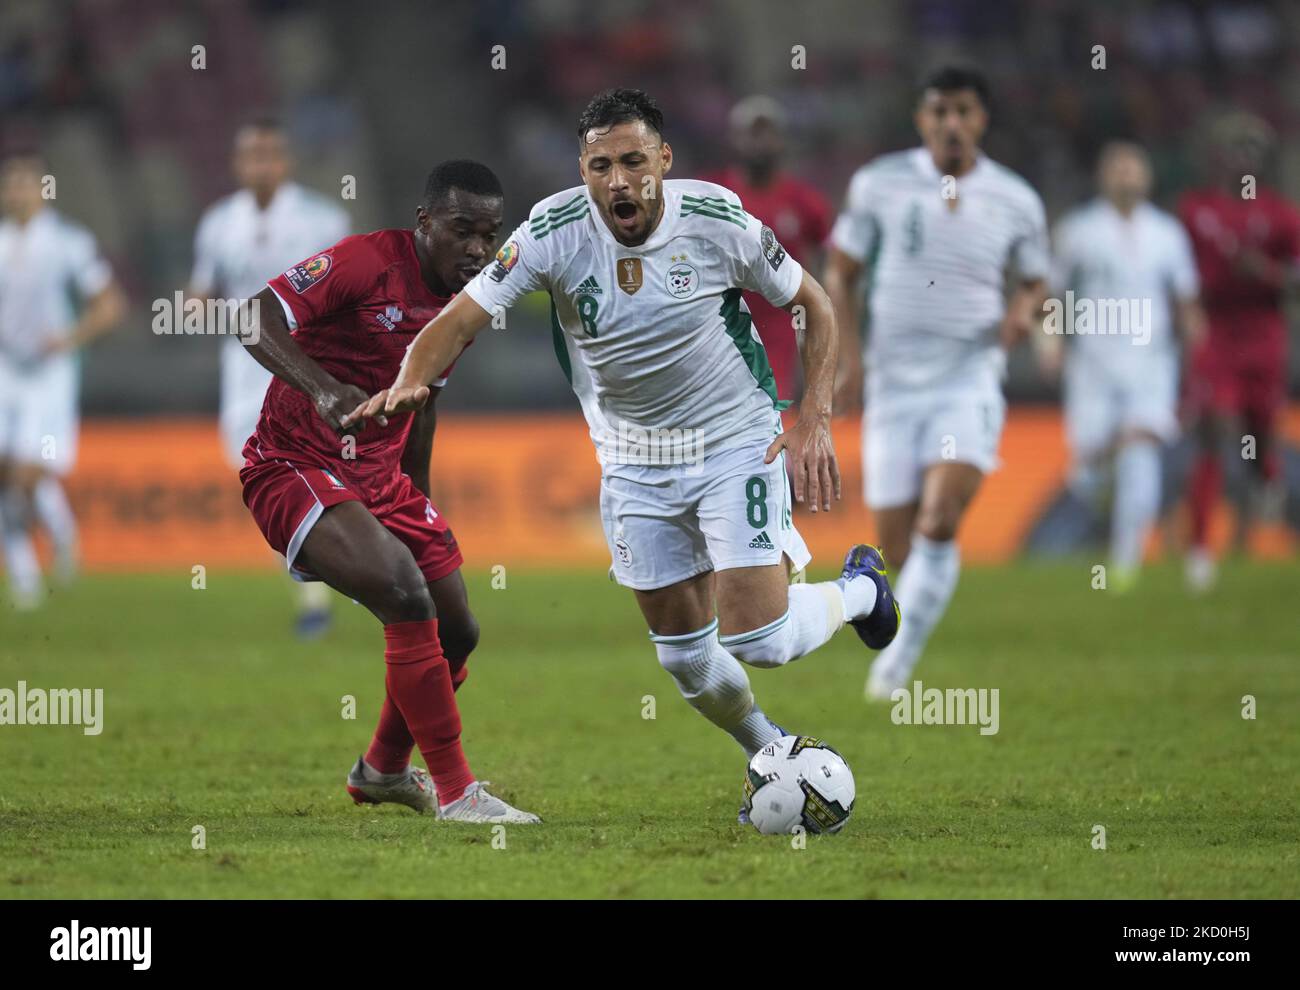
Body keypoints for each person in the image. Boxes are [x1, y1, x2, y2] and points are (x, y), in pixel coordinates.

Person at [343, 89, 900, 825]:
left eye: (634, 161)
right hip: (633, 461)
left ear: (664, 161)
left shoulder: (717, 219)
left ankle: (862, 589)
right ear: (583, 169)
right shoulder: (552, 230)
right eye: (601, 165)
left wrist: (812, 418)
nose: (618, 181)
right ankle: (772, 754)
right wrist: (410, 381)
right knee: (687, 662)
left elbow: (816, 303)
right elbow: (457, 319)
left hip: (736, 437)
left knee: (759, 637)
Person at [237, 160, 538, 824]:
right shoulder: (364, 261)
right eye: (463, 231)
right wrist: (320, 388)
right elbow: (252, 317)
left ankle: (382, 770)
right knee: (404, 594)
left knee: (458, 629)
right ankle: (458, 793)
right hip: (293, 463)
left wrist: (420, 497)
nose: (478, 250)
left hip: (383, 479)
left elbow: (425, 400)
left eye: (489, 235)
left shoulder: (470, 301)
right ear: (425, 222)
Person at [823, 64, 1048, 700]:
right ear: (922, 119)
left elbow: (1036, 280)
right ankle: (901, 635)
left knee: (940, 515)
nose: (951, 123)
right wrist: (850, 360)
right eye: (939, 111)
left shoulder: (1016, 198)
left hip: (967, 379)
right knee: (897, 549)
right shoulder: (880, 185)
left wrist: (1021, 312)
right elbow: (841, 273)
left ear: (982, 120)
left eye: (964, 112)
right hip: (894, 387)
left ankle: (895, 666)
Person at [190, 117, 350, 636]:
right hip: (241, 369)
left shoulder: (323, 219)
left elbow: (348, 291)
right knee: (260, 477)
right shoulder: (217, 223)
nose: (261, 164)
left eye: (270, 154)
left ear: (286, 161)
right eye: (251, 155)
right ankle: (316, 573)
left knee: (303, 469)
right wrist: (194, 311)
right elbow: (200, 296)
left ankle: (316, 597)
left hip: (303, 363)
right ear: (239, 164)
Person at [1043, 142, 1204, 591]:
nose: (1127, 176)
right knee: (1089, 468)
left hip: (1151, 363)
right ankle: (1099, 533)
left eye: (1134, 168)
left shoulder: (1168, 233)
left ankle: (1126, 563)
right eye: (1118, 168)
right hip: (1092, 364)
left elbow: (1185, 297)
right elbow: (1053, 292)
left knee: (1140, 456)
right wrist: (1050, 341)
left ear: (1147, 176)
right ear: (1102, 176)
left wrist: (1195, 337)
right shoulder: (1078, 230)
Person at [1178, 112, 1299, 591]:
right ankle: (1201, 550)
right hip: (1217, 332)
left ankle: (1267, 480)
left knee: (1259, 434)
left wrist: (1268, 275)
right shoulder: (1196, 209)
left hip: (1265, 333)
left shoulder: (1281, 214)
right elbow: (1176, 268)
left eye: (1252, 150)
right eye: (1236, 149)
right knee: (1214, 431)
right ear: (1218, 157)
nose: (1244, 158)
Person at [0, 152, 126, 610]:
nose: (13, 191)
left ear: (42, 188)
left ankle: (61, 534)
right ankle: (24, 576)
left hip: (48, 373)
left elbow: (110, 304)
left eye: (22, 182)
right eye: (7, 183)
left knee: (26, 475)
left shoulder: (67, 242)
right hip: (5, 369)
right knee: (5, 475)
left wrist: (71, 338)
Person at [700, 96, 832, 403]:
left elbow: (824, 270)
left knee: (774, 415)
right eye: (752, 133)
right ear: (735, 139)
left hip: (781, 331)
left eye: (767, 132)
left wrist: (817, 336)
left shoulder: (805, 203)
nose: (759, 142)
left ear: (781, 140)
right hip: (720, 324)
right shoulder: (712, 197)